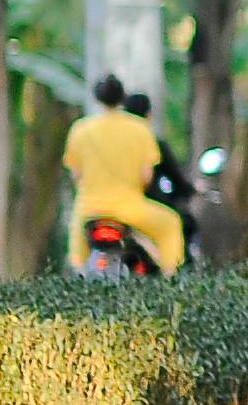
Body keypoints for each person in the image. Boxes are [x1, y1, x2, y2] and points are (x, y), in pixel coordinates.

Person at [61, 74, 184, 273]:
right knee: (171, 225)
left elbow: (76, 175)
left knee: (77, 259)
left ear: (97, 97)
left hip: (89, 210)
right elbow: (146, 177)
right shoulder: (140, 129)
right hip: (131, 209)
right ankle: (172, 281)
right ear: (122, 97)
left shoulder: (80, 129)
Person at [121, 91, 197, 261]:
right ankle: (172, 276)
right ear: (148, 114)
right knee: (172, 226)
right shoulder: (150, 140)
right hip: (137, 206)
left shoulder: (110, 141)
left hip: (98, 207)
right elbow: (150, 177)